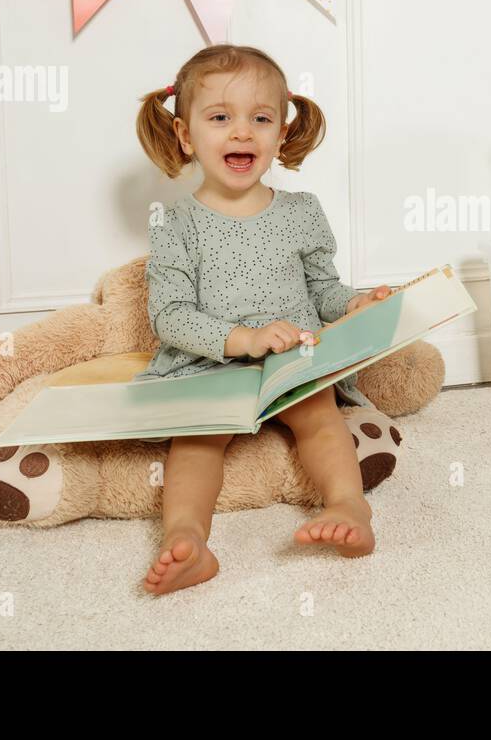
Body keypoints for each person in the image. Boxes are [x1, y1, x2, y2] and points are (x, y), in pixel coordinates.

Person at [133, 44, 391, 595]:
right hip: (214, 363)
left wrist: (355, 305)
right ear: (185, 135)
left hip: (292, 361)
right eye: (220, 118)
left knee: (320, 416)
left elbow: (323, 288)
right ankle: (187, 538)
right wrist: (241, 339)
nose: (242, 133)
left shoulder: (301, 212)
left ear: (280, 133)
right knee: (197, 442)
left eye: (261, 119)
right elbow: (170, 317)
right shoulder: (175, 223)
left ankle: (350, 506)